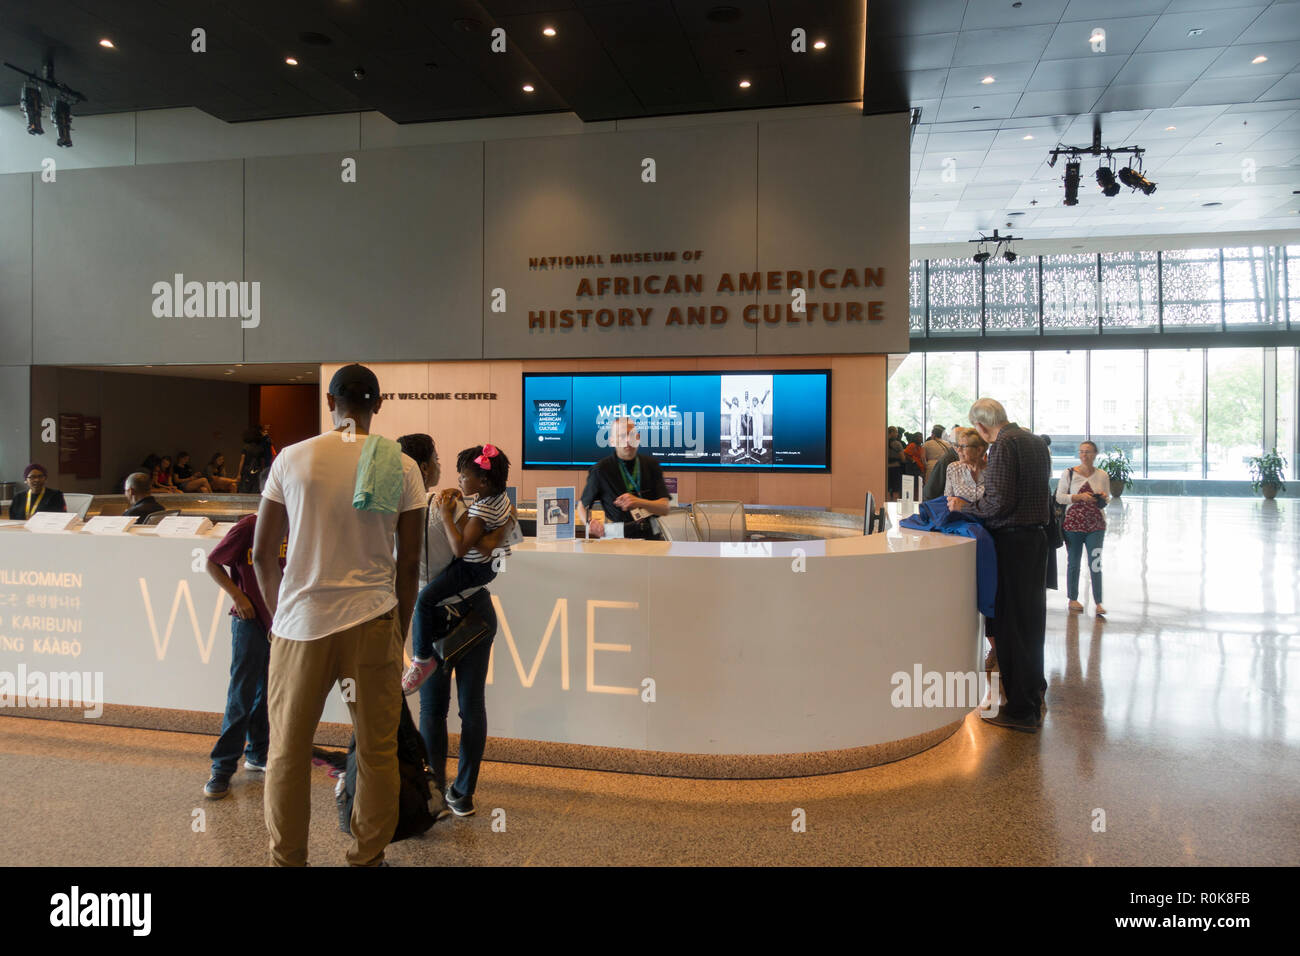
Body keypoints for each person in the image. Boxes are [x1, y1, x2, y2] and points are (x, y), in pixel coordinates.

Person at [253, 363, 425, 867]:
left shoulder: (292, 458)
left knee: (285, 753)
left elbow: (263, 555)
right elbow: (410, 562)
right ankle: (367, 856)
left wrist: (277, 620)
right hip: (373, 621)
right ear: (377, 405)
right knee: (376, 751)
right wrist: (398, 630)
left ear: (331, 402)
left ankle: (287, 859)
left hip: (300, 626)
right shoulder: (401, 464)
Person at [397, 433, 510, 818]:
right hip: (474, 612)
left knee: (432, 710)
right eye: (439, 460)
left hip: (430, 618)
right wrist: (499, 534)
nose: (447, 471)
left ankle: (433, 793)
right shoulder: (451, 504)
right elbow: (499, 544)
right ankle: (462, 795)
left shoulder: (394, 510)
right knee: (472, 706)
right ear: (426, 467)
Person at [948, 398, 1051, 734]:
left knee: (1010, 626)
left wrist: (963, 510)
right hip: (1036, 541)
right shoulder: (1034, 441)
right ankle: (1033, 693)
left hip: (1012, 544)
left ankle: (1021, 710)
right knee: (1031, 623)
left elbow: (999, 503)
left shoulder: (1004, 445)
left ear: (980, 426)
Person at [400, 443, 513, 696]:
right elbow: (493, 537)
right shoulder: (498, 499)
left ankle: (421, 658)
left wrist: (446, 515)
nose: (459, 479)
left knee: (425, 598)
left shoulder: (471, 508)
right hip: (482, 577)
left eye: (463, 476)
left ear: (482, 481)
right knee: (472, 701)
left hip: (473, 570)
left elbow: (461, 548)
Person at [202, 514, 285, 799]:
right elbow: (212, 563)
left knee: (268, 690)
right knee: (242, 695)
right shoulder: (250, 526)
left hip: (282, 622)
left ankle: (258, 752)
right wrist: (238, 597)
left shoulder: (299, 523)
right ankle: (222, 767)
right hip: (249, 621)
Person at [578, 417, 671, 539]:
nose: (628, 440)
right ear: (612, 441)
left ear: (638, 438)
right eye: (622, 436)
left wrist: (637, 501)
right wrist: (589, 522)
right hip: (616, 538)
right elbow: (581, 506)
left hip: (651, 535)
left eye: (631, 435)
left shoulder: (651, 465)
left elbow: (665, 508)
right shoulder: (601, 470)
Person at [1056, 440, 1109, 617]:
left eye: (1088, 452)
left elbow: (1106, 500)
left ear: (1095, 454)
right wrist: (1079, 497)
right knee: (1074, 562)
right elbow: (1060, 497)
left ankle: (1099, 601)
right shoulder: (1069, 473)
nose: (1084, 455)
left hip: (1096, 524)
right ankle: (1073, 598)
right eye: (1081, 452)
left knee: (1095, 562)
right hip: (1073, 524)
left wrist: (1101, 497)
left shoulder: (1102, 475)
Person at [943, 427, 988, 502]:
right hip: (959, 513)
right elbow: (948, 499)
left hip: (986, 513)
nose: (958, 450)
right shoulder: (953, 468)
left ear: (979, 450)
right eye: (958, 446)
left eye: (963, 446)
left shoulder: (993, 471)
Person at [237, 426, 273, 494]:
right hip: (257, 470)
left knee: (245, 489)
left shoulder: (246, 447)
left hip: (246, 470)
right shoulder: (260, 448)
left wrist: (239, 474)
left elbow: (242, 461)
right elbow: (262, 461)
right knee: (255, 489)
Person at [886, 427, 904, 501]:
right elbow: (903, 458)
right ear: (891, 433)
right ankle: (894, 504)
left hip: (885, 469)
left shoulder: (882, 442)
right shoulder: (897, 444)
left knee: (886, 488)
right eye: (896, 432)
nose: (897, 434)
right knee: (896, 489)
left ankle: (886, 504)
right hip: (895, 468)